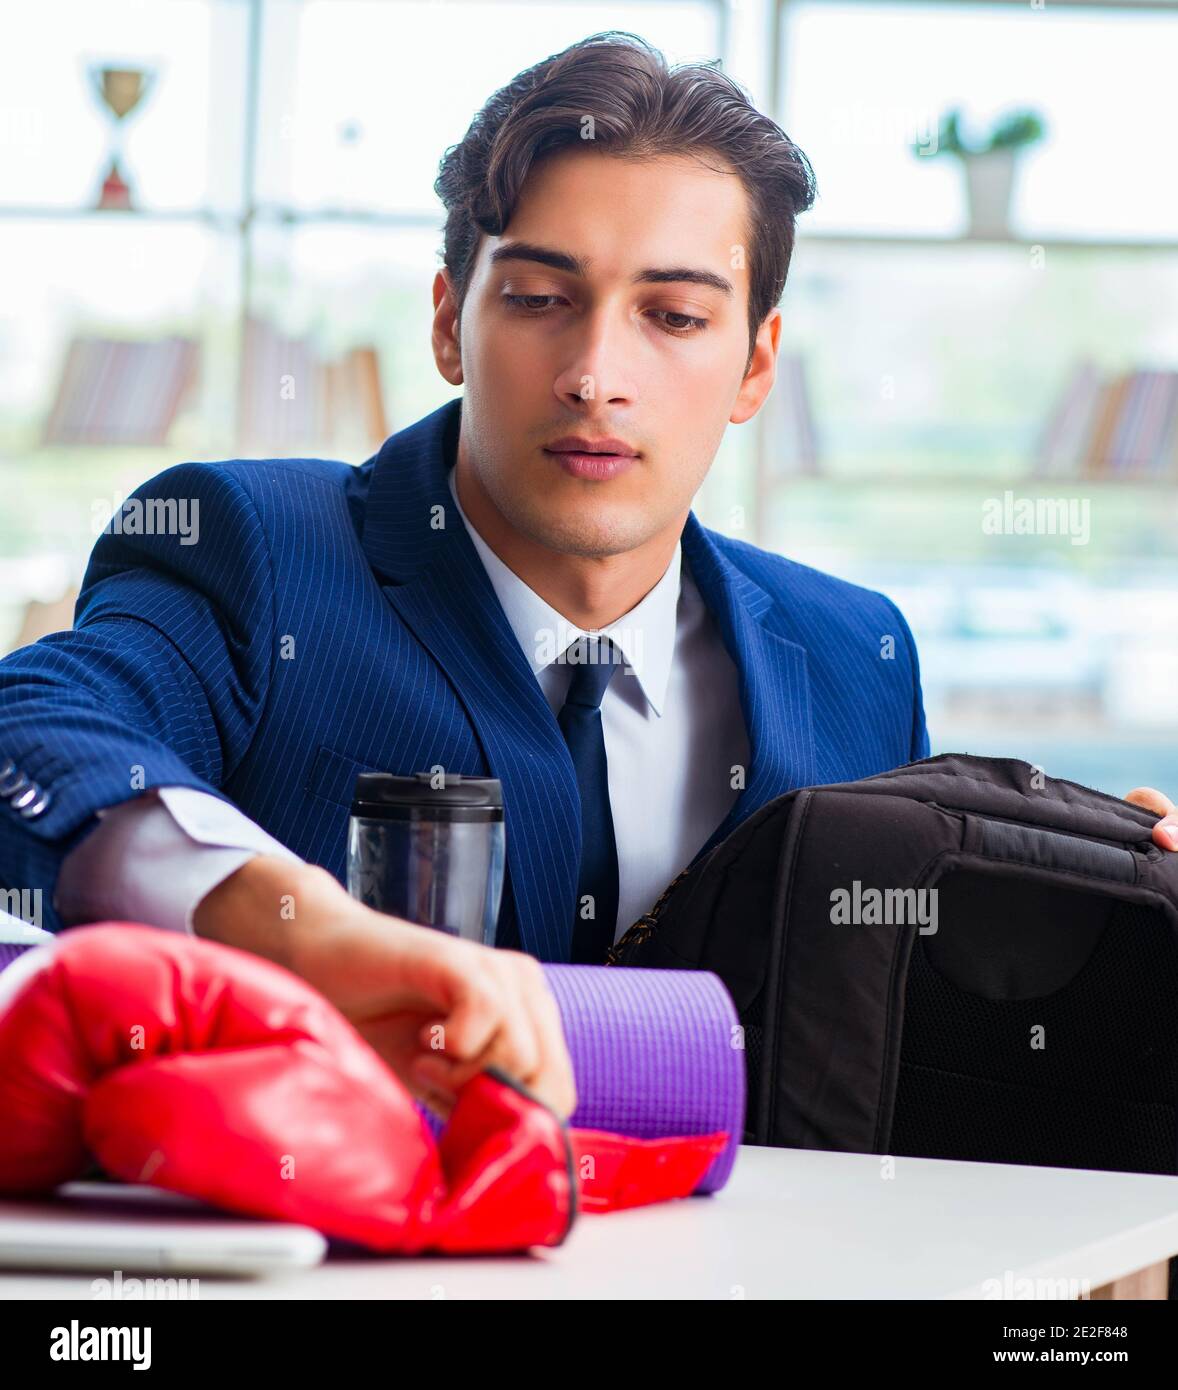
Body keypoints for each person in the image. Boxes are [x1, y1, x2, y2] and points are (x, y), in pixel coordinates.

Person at [2, 32, 1176, 1120]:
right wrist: (294, 926)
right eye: (541, 300)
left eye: (671, 315)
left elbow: (885, 1016)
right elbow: (32, 729)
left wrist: (1087, 901)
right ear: (451, 322)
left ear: (755, 364)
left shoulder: (853, 653)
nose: (594, 374)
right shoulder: (254, 547)